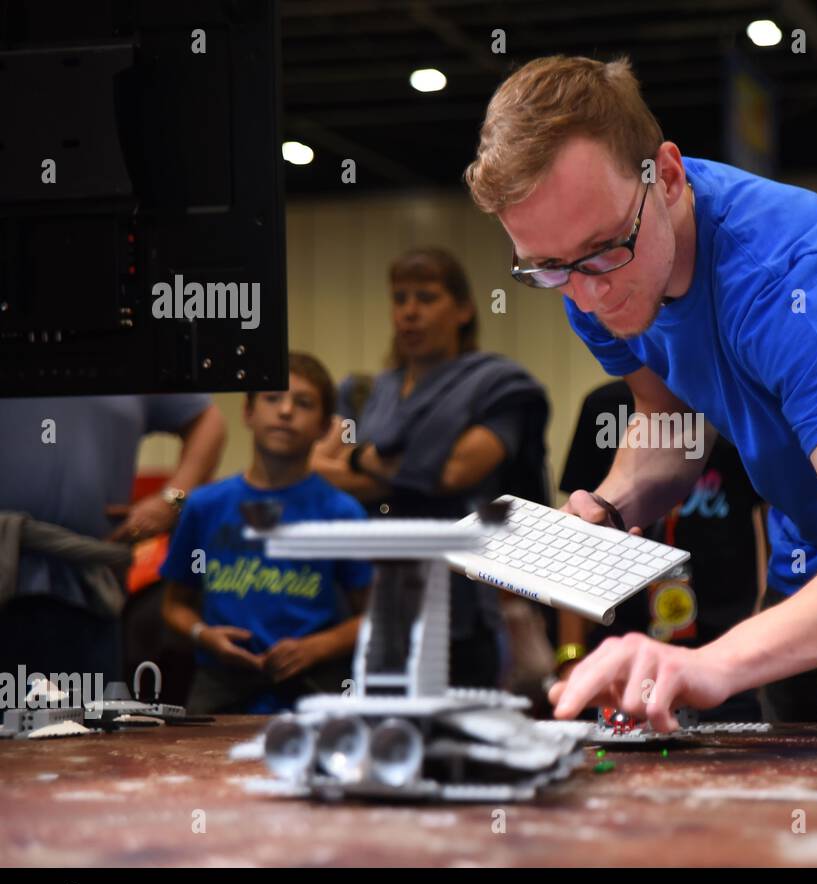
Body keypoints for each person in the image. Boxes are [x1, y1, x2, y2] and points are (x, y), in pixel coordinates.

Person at [464, 55, 817, 729]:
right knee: (782, 740)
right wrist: (608, 510)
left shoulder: (789, 286)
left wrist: (711, 662)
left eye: (602, 251)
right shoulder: (591, 266)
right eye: (549, 267)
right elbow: (669, 421)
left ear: (666, 177)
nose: (587, 293)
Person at [311, 248, 550, 689]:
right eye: (400, 299)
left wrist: (364, 459)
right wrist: (402, 469)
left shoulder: (497, 384)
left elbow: (456, 473)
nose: (410, 313)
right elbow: (320, 472)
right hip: (377, 597)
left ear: (462, 309)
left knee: (461, 742)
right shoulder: (370, 390)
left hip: (466, 603)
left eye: (426, 297)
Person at [160, 353, 373, 714]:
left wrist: (317, 647)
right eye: (272, 398)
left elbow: (373, 617)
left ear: (324, 426)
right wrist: (204, 635)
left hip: (312, 688)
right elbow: (174, 605)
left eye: (303, 403)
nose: (286, 411)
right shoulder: (204, 505)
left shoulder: (342, 513)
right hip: (219, 686)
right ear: (247, 412)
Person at [555, 379, 766, 721]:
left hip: (721, 647)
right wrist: (571, 656)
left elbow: (768, 529)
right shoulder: (605, 408)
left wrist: (759, 643)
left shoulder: (737, 404)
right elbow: (579, 534)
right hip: (618, 651)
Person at [0, 393, 225, 681]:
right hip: (10, 576)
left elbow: (209, 422)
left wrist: (171, 501)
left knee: (92, 718)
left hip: (91, 586)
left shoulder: (128, 358)